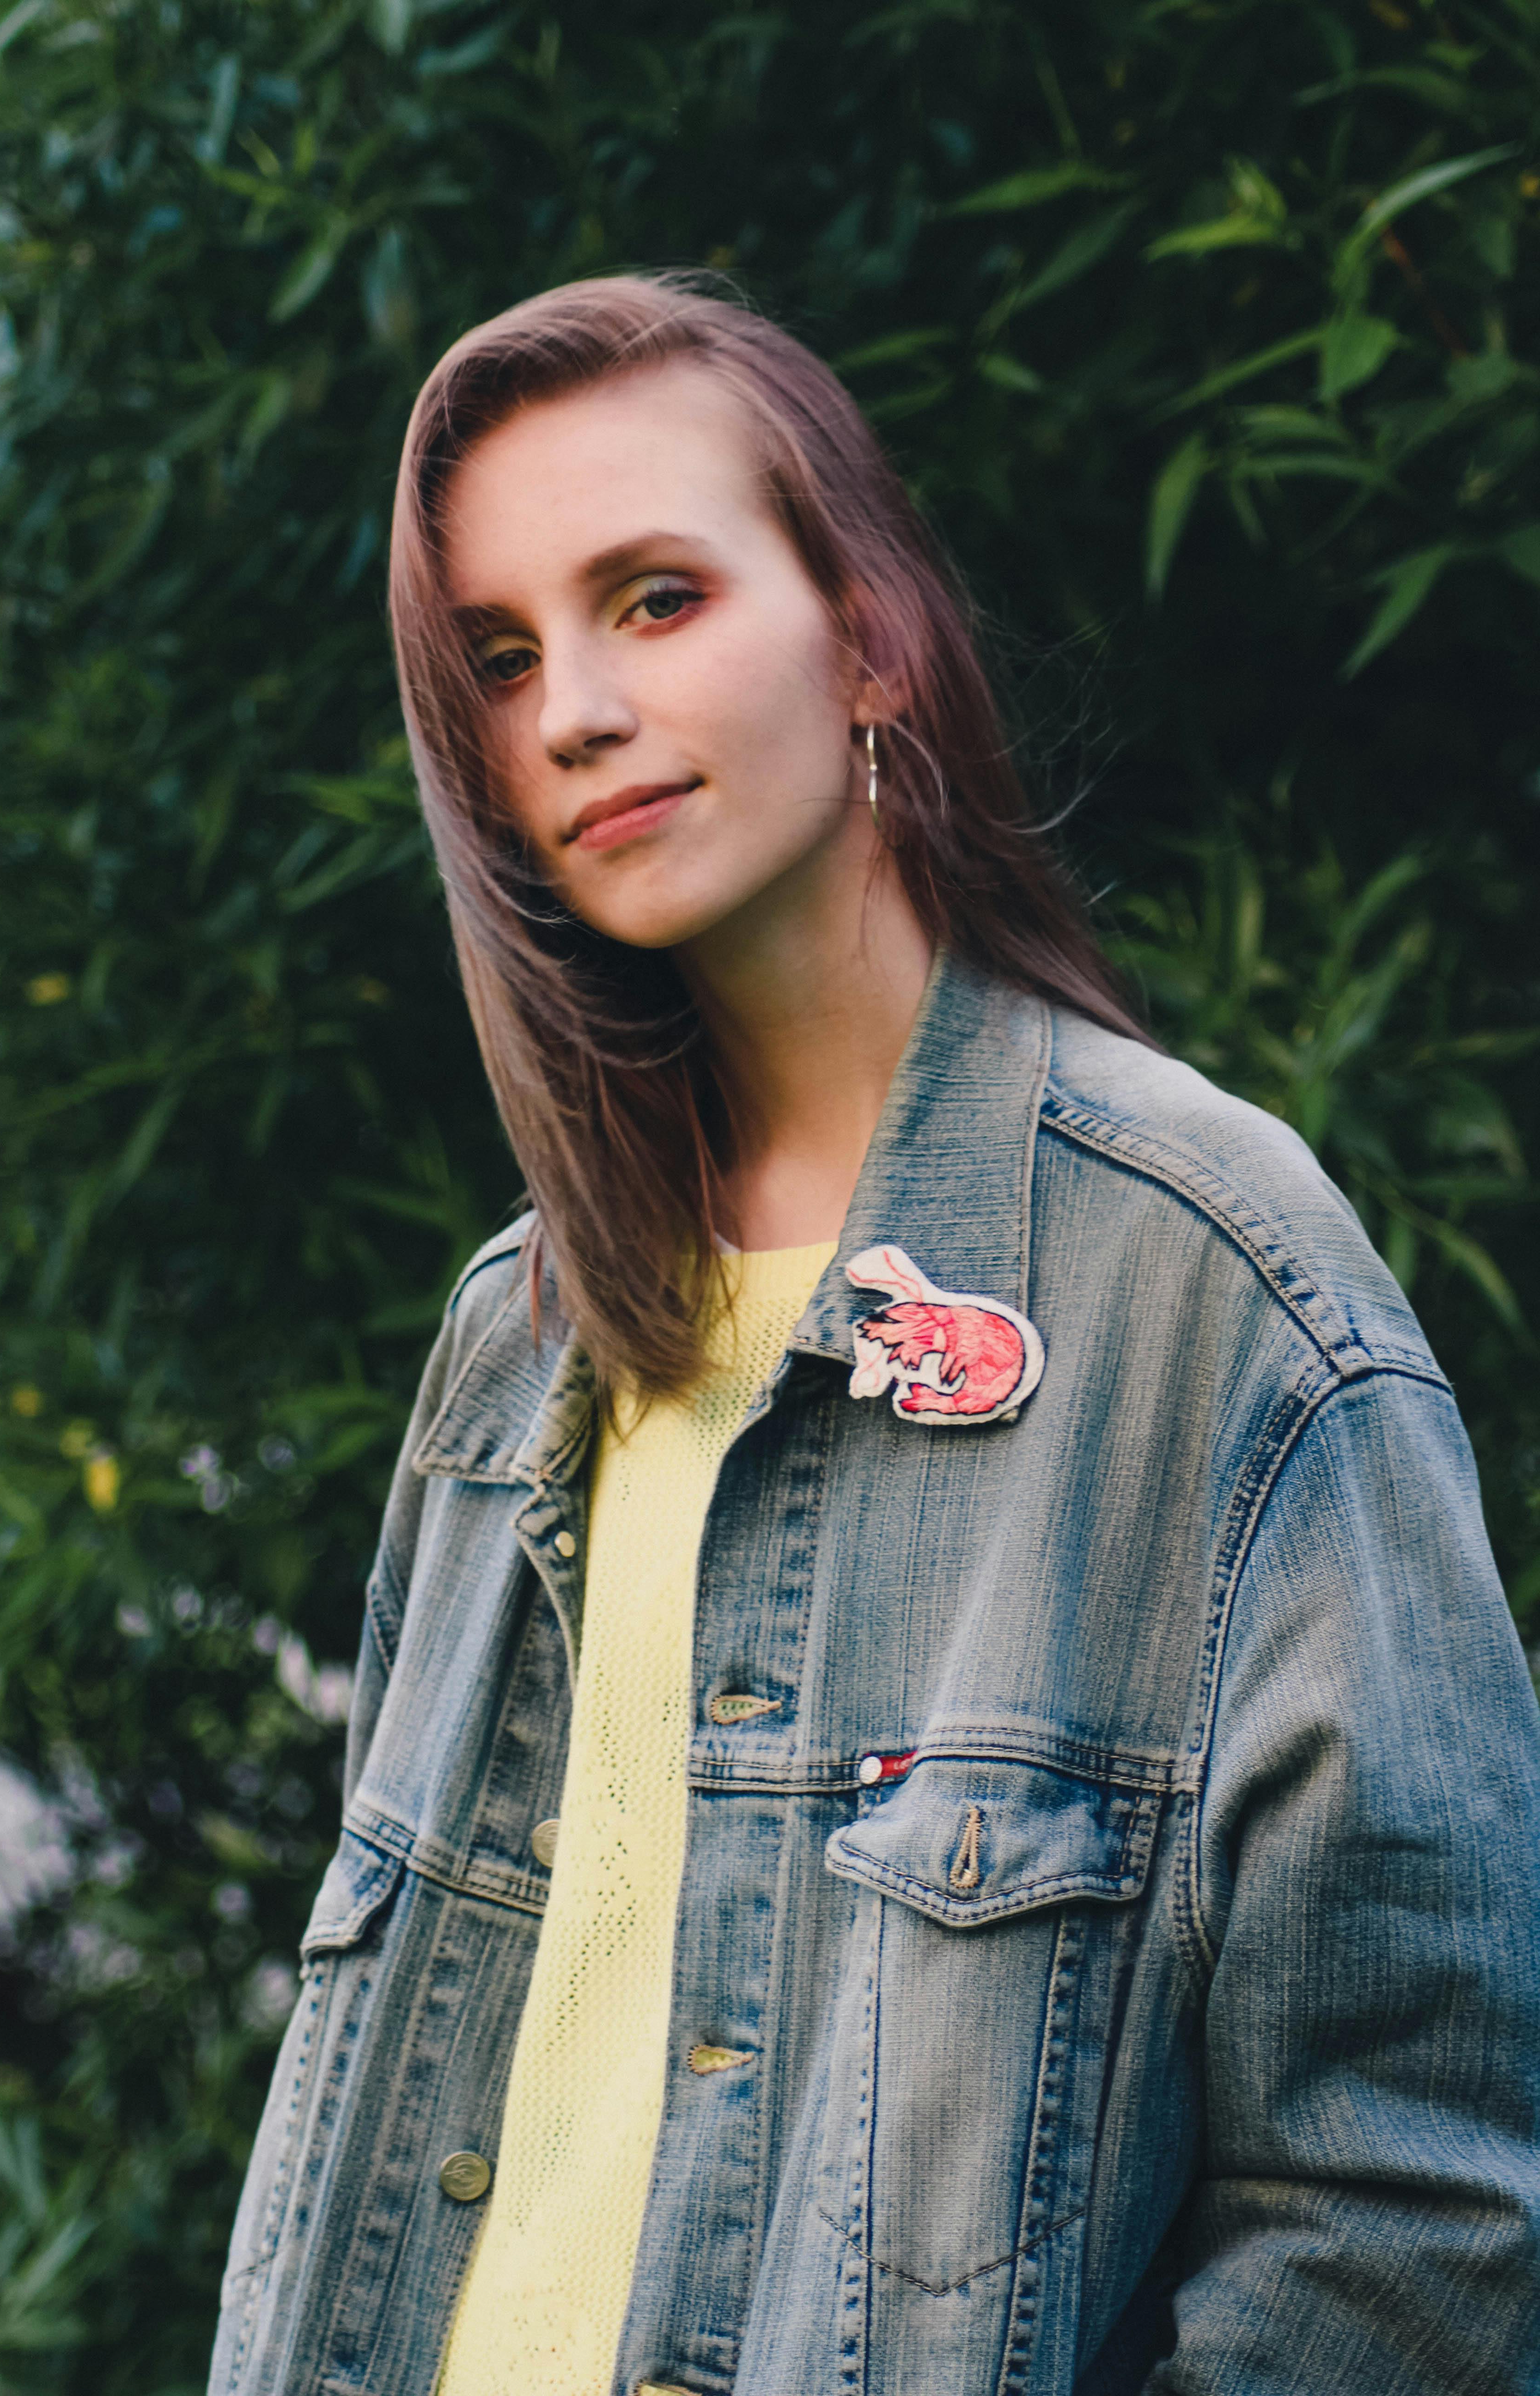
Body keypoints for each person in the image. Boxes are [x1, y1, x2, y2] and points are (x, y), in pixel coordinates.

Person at [208, 273, 1540, 2396]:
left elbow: (1428, 2217)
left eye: (653, 598)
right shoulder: (513, 1344)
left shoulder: (1214, 1292)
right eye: (502, 657)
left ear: (869, 639)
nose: (567, 711)